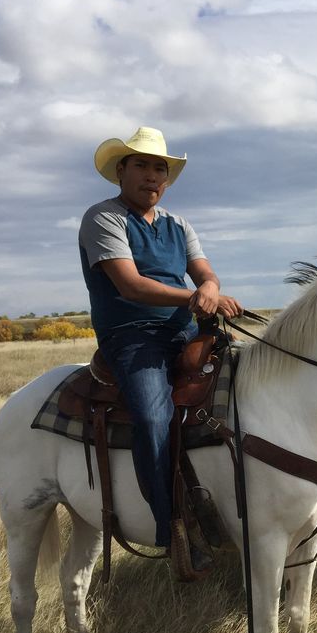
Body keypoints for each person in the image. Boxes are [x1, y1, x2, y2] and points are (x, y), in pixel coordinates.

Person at [79, 126, 242, 561]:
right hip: (133, 336)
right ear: (121, 171)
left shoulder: (178, 224)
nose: (152, 175)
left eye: (160, 169)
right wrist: (195, 296)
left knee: (248, 383)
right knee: (153, 418)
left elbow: (205, 272)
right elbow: (130, 285)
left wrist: (210, 288)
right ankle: (174, 528)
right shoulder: (104, 218)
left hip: (184, 331)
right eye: (142, 166)